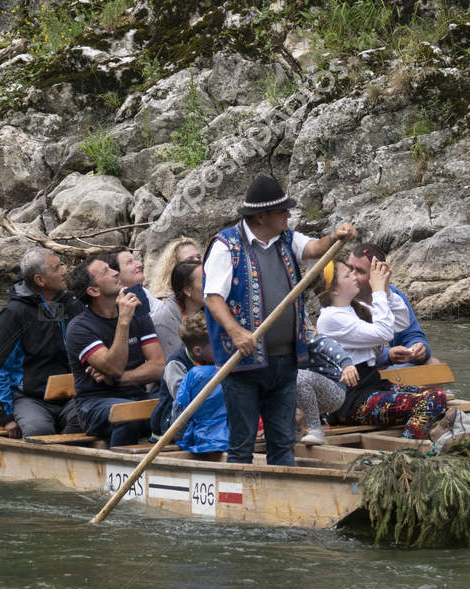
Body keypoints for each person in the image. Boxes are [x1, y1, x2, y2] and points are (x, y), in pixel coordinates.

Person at [202, 174, 355, 467]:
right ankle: (238, 503)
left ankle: (281, 493)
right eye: (282, 211)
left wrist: (335, 237)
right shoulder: (226, 245)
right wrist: (236, 332)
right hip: (243, 364)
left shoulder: (287, 238)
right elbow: (212, 298)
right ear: (262, 216)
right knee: (242, 442)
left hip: (284, 362)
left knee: (284, 440)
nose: (288, 214)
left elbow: (314, 248)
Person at [315, 257, 447, 439]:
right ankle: (405, 454)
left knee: (437, 394)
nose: (354, 276)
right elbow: (384, 333)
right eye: (348, 274)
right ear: (335, 290)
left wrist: (386, 291)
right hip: (350, 400)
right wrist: (377, 291)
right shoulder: (330, 318)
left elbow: (401, 322)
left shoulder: (355, 308)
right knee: (430, 402)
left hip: (373, 386)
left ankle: (418, 439)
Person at [0, 247, 84, 438]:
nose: (64, 271)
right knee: (39, 431)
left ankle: (64, 457)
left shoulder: (68, 304)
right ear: (40, 280)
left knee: (88, 419)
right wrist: (6, 417)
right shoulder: (15, 314)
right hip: (30, 399)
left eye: (62, 266)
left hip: (70, 396)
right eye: (57, 268)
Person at [65, 254, 165, 447]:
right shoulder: (79, 328)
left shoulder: (138, 312)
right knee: (126, 415)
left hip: (136, 396)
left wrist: (120, 378)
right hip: (95, 404)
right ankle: (119, 469)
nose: (115, 272)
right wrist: (124, 321)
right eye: (106, 271)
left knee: (181, 403)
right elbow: (114, 366)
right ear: (94, 290)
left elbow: (159, 366)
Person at [346, 243, 433, 367]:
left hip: (393, 365)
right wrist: (388, 355)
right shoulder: (341, 302)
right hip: (361, 369)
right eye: (349, 269)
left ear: (377, 274)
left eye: (359, 271)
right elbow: (347, 353)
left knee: (431, 363)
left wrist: (419, 347)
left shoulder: (395, 296)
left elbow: (411, 333)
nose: (352, 276)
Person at [169, 313, 228, 457]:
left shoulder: (223, 364)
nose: (223, 347)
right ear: (197, 350)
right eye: (217, 344)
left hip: (220, 428)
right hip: (181, 428)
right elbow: (181, 407)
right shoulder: (180, 366)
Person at [296, 332, 355, 446]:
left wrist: (347, 365)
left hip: (333, 391)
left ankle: (315, 430)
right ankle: (291, 431)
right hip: (304, 395)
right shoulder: (276, 345)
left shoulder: (306, 335)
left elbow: (329, 345)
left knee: (296, 376)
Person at [151, 257, 204, 363]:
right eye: (204, 281)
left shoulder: (212, 311)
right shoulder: (163, 321)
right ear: (188, 290)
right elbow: (172, 367)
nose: (212, 285)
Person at [145, 237, 201, 302]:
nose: (198, 261)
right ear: (174, 266)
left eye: (199, 257)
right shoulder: (164, 300)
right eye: (190, 259)